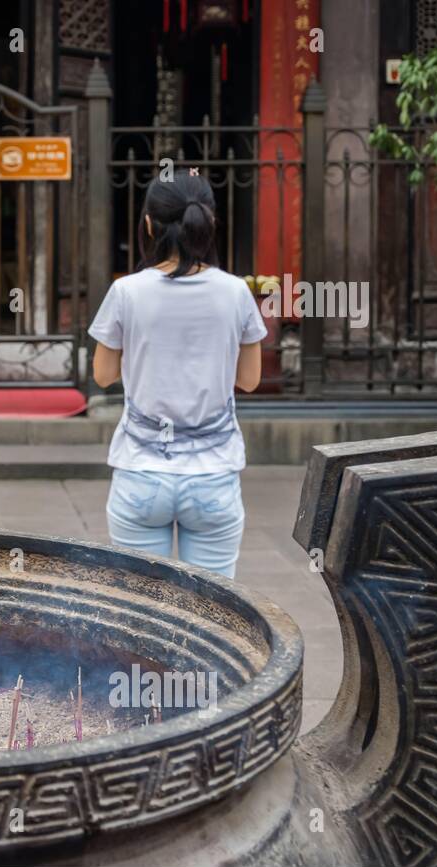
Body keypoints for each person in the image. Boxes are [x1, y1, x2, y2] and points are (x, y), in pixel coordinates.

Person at [87, 169, 265, 579]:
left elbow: (102, 374)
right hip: (213, 477)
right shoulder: (236, 292)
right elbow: (250, 379)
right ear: (209, 221)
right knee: (214, 614)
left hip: (141, 474)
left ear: (148, 224)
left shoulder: (127, 291)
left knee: (143, 613)